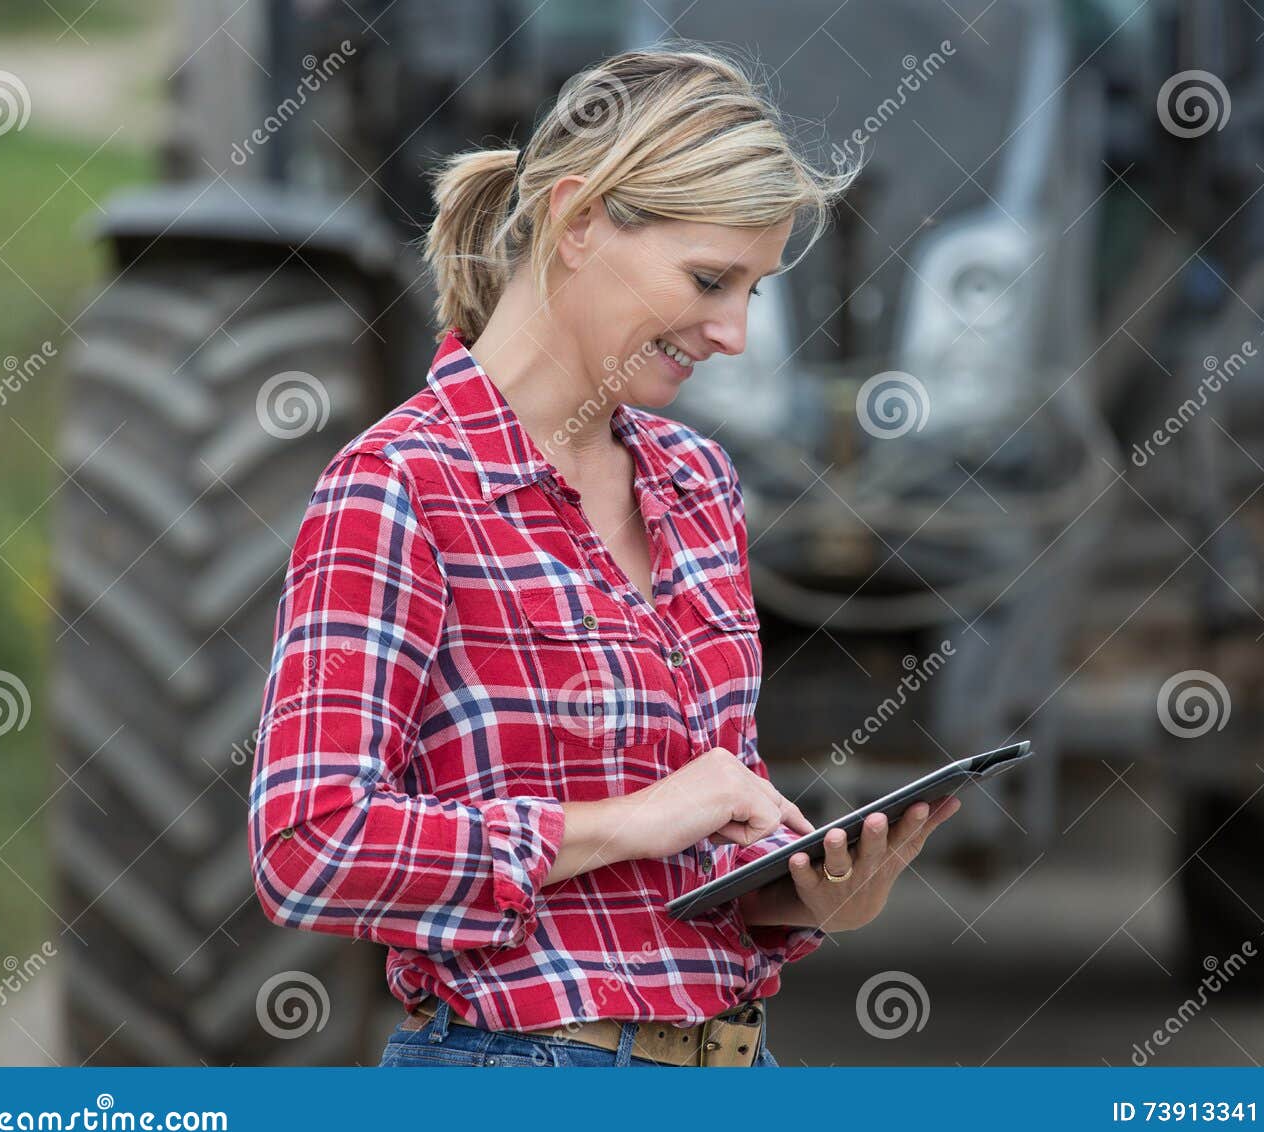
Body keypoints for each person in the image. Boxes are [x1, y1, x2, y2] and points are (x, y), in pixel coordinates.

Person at [247, 43, 963, 1069]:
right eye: (710, 279)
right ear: (580, 220)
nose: (734, 333)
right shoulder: (402, 484)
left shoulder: (698, 483)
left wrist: (805, 894)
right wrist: (627, 820)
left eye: (754, 290)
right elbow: (308, 846)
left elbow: (691, 840)